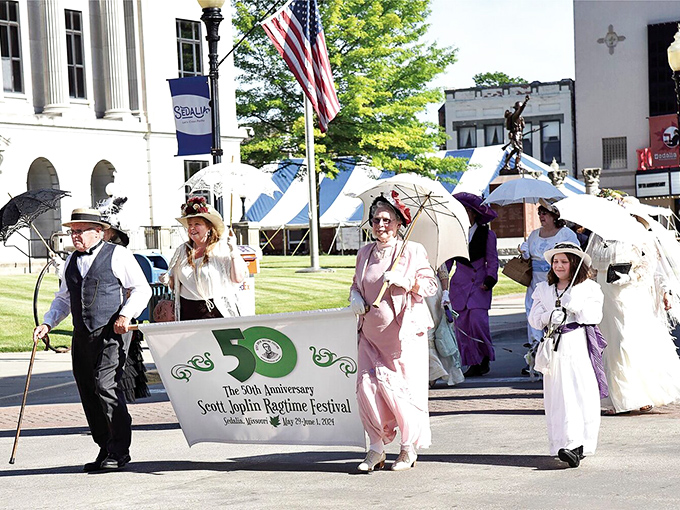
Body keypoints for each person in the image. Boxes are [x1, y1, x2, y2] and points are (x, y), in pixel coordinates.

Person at [33, 208, 151, 472]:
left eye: (80, 231)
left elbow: (142, 289)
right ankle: (105, 446)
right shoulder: (70, 261)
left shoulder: (118, 255)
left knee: (105, 386)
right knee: (87, 389)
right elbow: (63, 299)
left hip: (113, 331)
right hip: (83, 335)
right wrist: (48, 322)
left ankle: (120, 450)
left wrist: (125, 314)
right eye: (72, 231)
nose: (75, 236)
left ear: (98, 232)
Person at [349, 192, 437, 472]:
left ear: (399, 223)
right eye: (376, 220)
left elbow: (431, 287)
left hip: (402, 337)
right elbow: (356, 285)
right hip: (370, 336)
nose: (381, 225)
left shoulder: (412, 250)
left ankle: (407, 450)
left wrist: (406, 281)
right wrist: (355, 298)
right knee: (366, 389)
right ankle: (376, 449)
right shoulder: (364, 253)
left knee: (400, 393)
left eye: (387, 220)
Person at [588, 214, 680, 414]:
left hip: (628, 296)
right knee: (609, 344)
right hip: (604, 298)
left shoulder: (637, 237)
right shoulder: (598, 237)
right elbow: (591, 267)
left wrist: (629, 276)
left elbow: (648, 267)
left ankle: (639, 394)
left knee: (625, 342)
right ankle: (615, 398)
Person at [528, 242, 606, 468]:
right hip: (554, 346)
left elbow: (594, 316)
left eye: (564, 261)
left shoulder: (589, 288)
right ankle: (564, 442)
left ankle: (578, 444)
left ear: (575, 263)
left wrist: (576, 306)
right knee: (558, 394)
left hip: (577, 344)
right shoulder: (544, 289)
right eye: (555, 261)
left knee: (579, 391)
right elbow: (535, 318)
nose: (559, 266)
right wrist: (549, 316)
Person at [164, 196, 247, 320]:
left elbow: (237, 279)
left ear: (209, 227)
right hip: (187, 313)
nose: (192, 228)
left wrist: (234, 251)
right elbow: (177, 284)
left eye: (197, 224)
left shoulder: (221, 248)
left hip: (217, 313)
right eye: (190, 224)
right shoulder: (182, 250)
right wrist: (167, 280)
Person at [443, 192, 499, 376]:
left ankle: (484, 358)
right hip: (459, 285)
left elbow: (492, 260)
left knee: (477, 322)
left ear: (474, 212)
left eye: (466, 210)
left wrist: (490, 279)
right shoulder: (454, 234)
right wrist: (439, 278)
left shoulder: (488, 234)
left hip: (480, 284)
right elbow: (448, 262)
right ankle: (473, 363)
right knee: (462, 327)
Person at [520, 199, 578, 374]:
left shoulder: (566, 234)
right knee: (535, 318)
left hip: (557, 284)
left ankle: (555, 356)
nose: (541, 216)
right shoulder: (533, 235)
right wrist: (523, 252)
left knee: (554, 318)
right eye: (539, 213)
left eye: (544, 212)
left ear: (555, 215)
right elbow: (529, 258)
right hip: (535, 284)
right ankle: (536, 357)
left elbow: (574, 257)